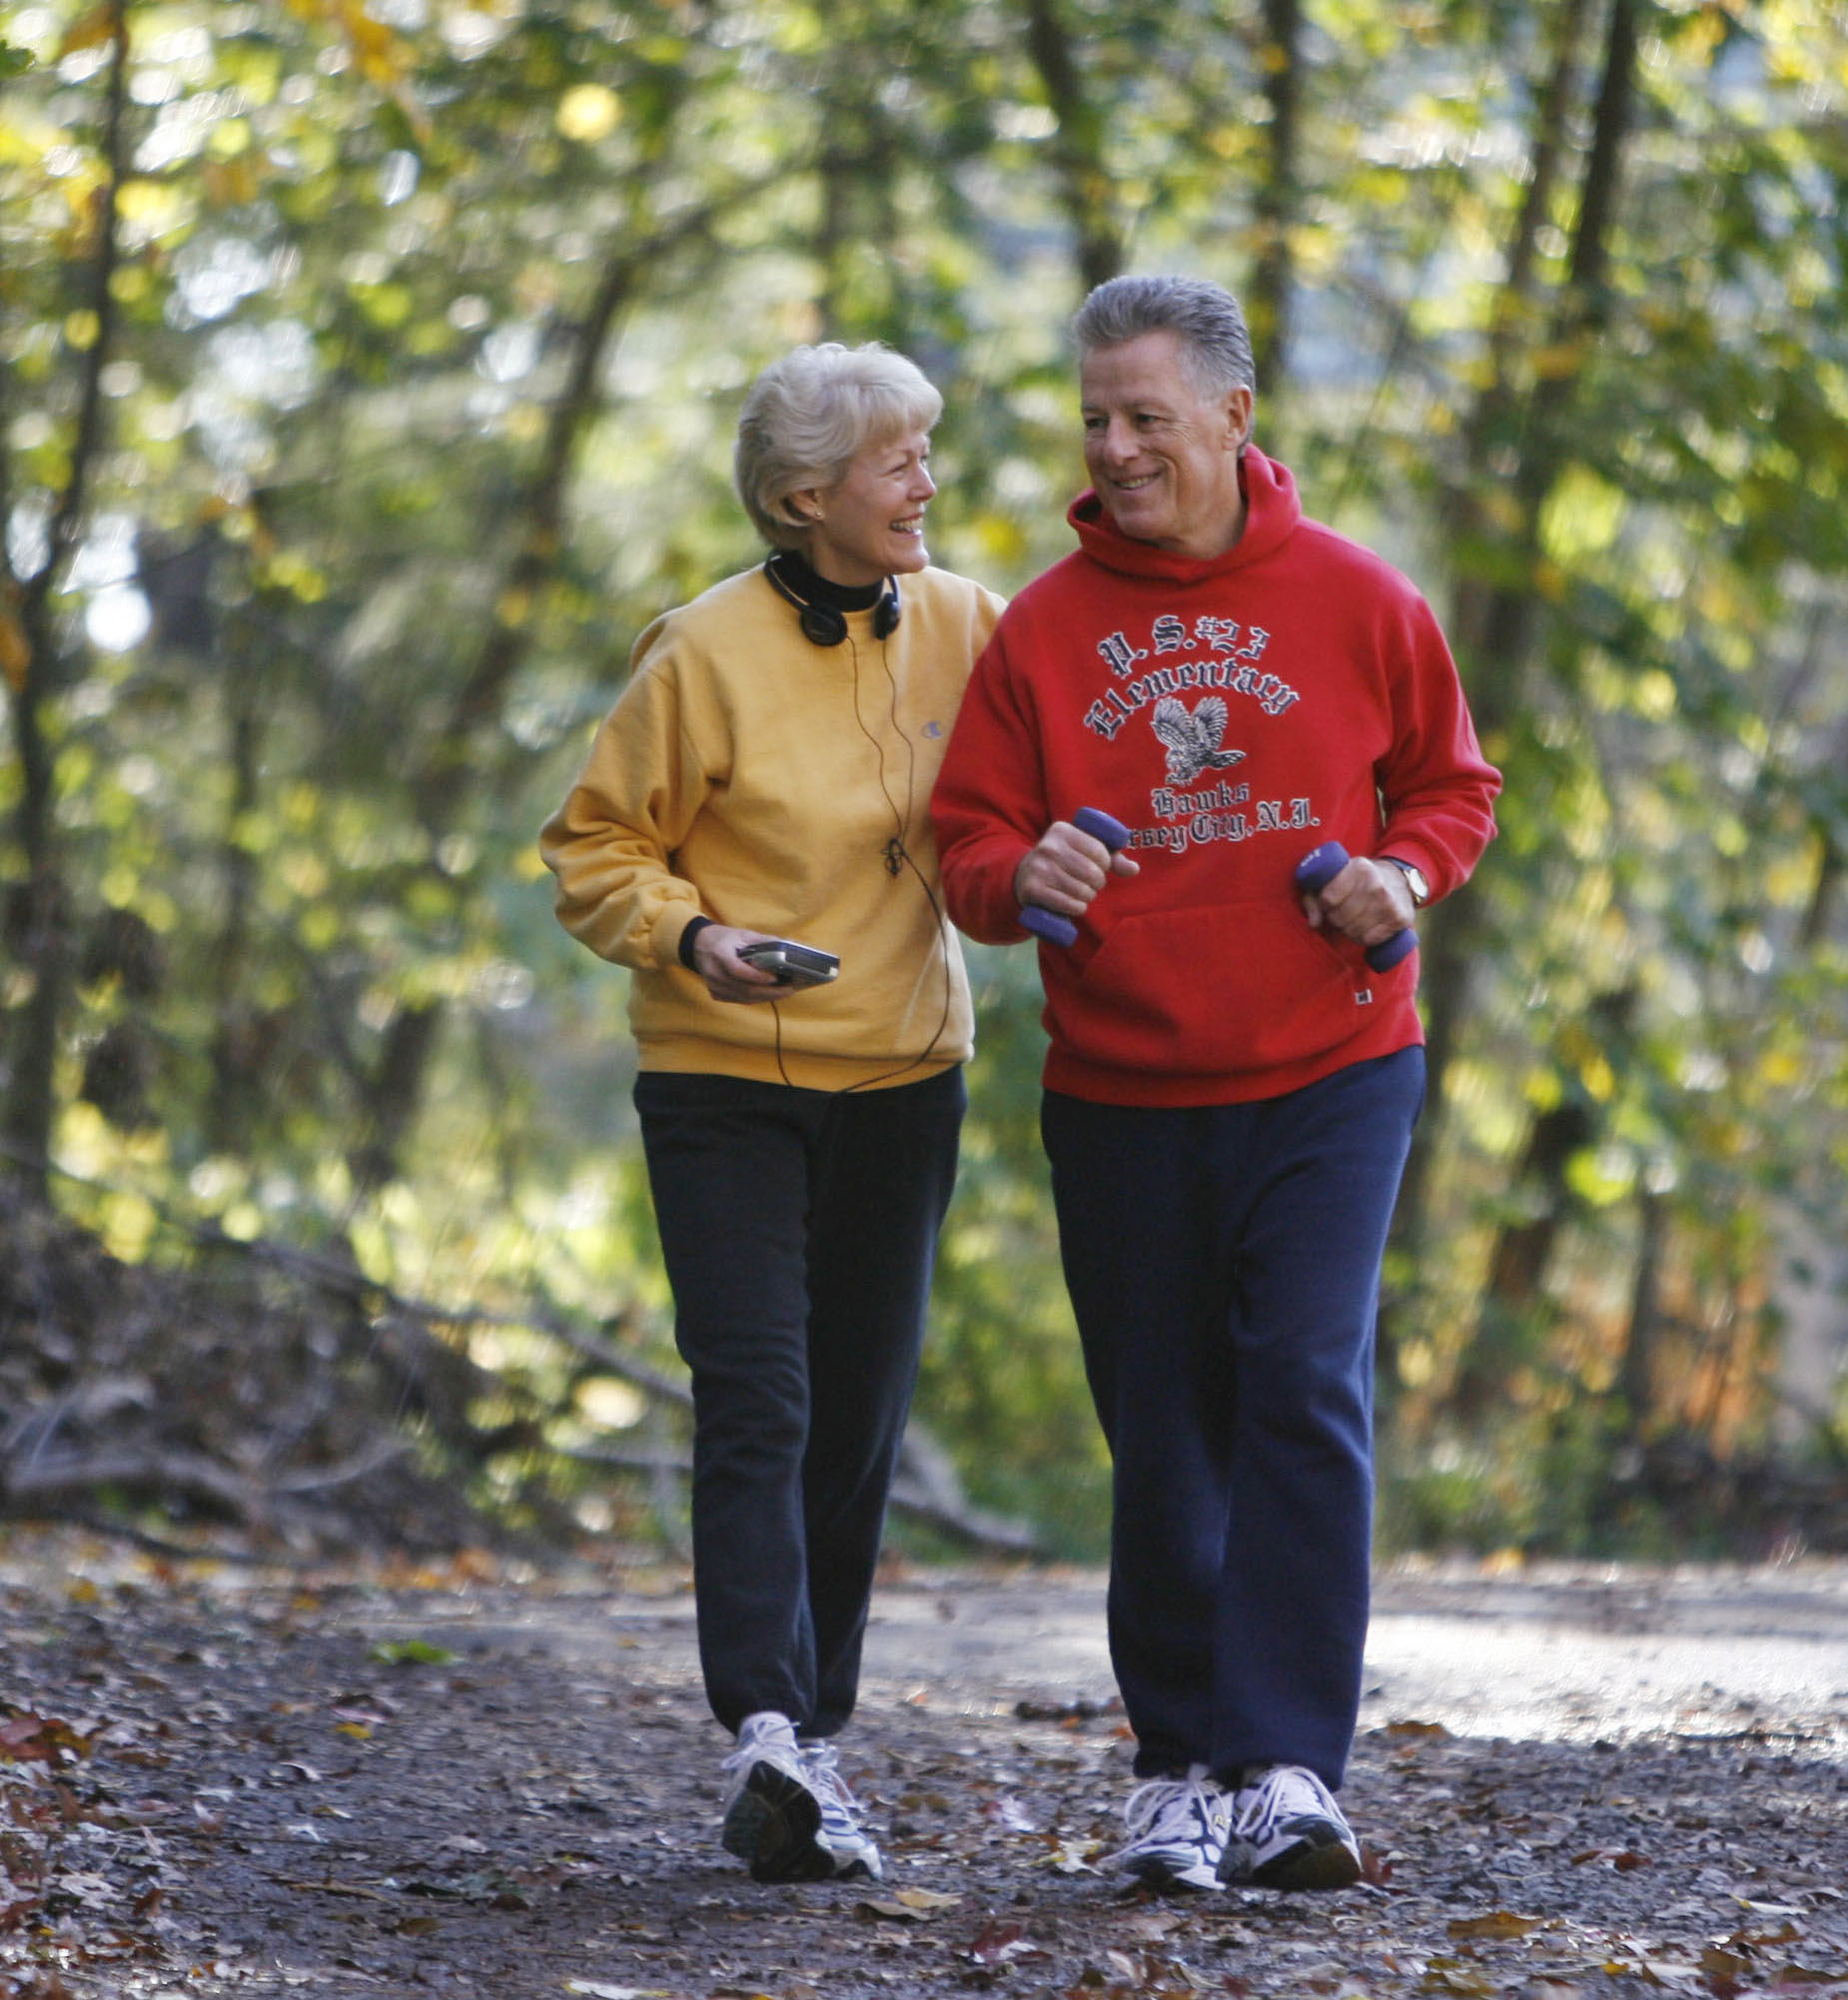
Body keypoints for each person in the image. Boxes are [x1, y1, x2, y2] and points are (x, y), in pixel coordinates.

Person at [930, 276, 1500, 1893]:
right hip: (1121, 1085)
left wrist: (1397, 878)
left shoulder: (1356, 597)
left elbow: (1453, 790)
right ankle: (1177, 1767)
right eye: (1094, 420)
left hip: (1332, 1067)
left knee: (1303, 1385)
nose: (1113, 449)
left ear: (1234, 418)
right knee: (1164, 1427)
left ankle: (1291, 1770)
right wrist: (1015, 872)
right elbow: (965, 843)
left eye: (1144, 418)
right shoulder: (1042, 629)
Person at [541, 342, 1001, 1883]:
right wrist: (695, 936)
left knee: (857, 1419)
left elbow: (1025, 798)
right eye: (898, 462)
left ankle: (819, 1742)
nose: (927, 483)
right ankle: (765, 1728)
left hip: (902, 1077)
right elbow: (594, 849)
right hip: (724, 1078)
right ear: (806, 497)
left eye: (929, 453)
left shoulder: (963, 622)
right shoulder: (699, 651)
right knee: (760, 1397)